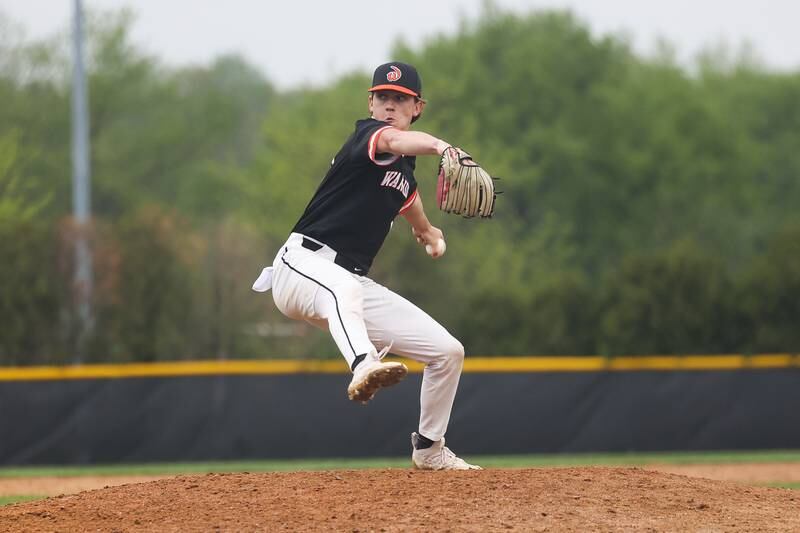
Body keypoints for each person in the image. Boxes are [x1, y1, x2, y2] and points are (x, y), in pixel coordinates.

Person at [252, 62, 480, 470]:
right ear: (371, 104)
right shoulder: (370, 137)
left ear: (418, 107)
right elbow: (397, 141)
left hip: (347, 283)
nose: (390, 106)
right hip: (300, 265)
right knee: (347, 289)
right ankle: (363, 365)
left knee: (448, 351)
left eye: (400, 99)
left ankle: (429, 448)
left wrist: (430, 235)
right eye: (383, 98)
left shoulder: (405, 179)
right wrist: (443, 147)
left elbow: (410, 204)